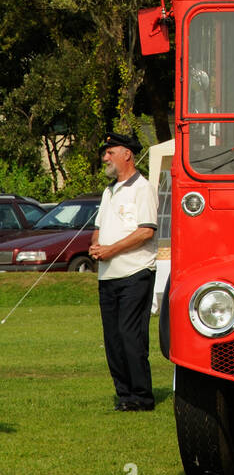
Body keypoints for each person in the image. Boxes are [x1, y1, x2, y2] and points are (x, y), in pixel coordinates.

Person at [89, 133, 158, 411]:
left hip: (135, 272)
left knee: (131, 335)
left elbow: (145, 231)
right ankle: (124, 394)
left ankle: (142, 395)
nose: (105, 157)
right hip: (108, 275)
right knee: (113, 338)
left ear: (126, 154)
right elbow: (98, 227)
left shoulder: (142, 188)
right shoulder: (109, 191)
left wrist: (111, 249)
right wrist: (95, 246)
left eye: (110, 152)